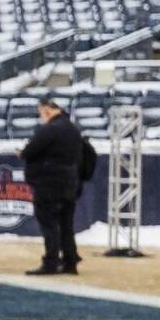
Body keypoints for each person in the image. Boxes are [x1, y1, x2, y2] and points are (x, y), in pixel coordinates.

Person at [23, 100, 99, 275]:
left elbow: (29, 152)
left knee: (49, 223)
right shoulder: (73, 129)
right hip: (70, 183)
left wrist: (24, 154)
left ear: (47, 110)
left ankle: (51, 262)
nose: (41, 116)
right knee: (66, 225)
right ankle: (70, 262)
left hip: (49, 183)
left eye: (41, 112)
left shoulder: (50, 129)